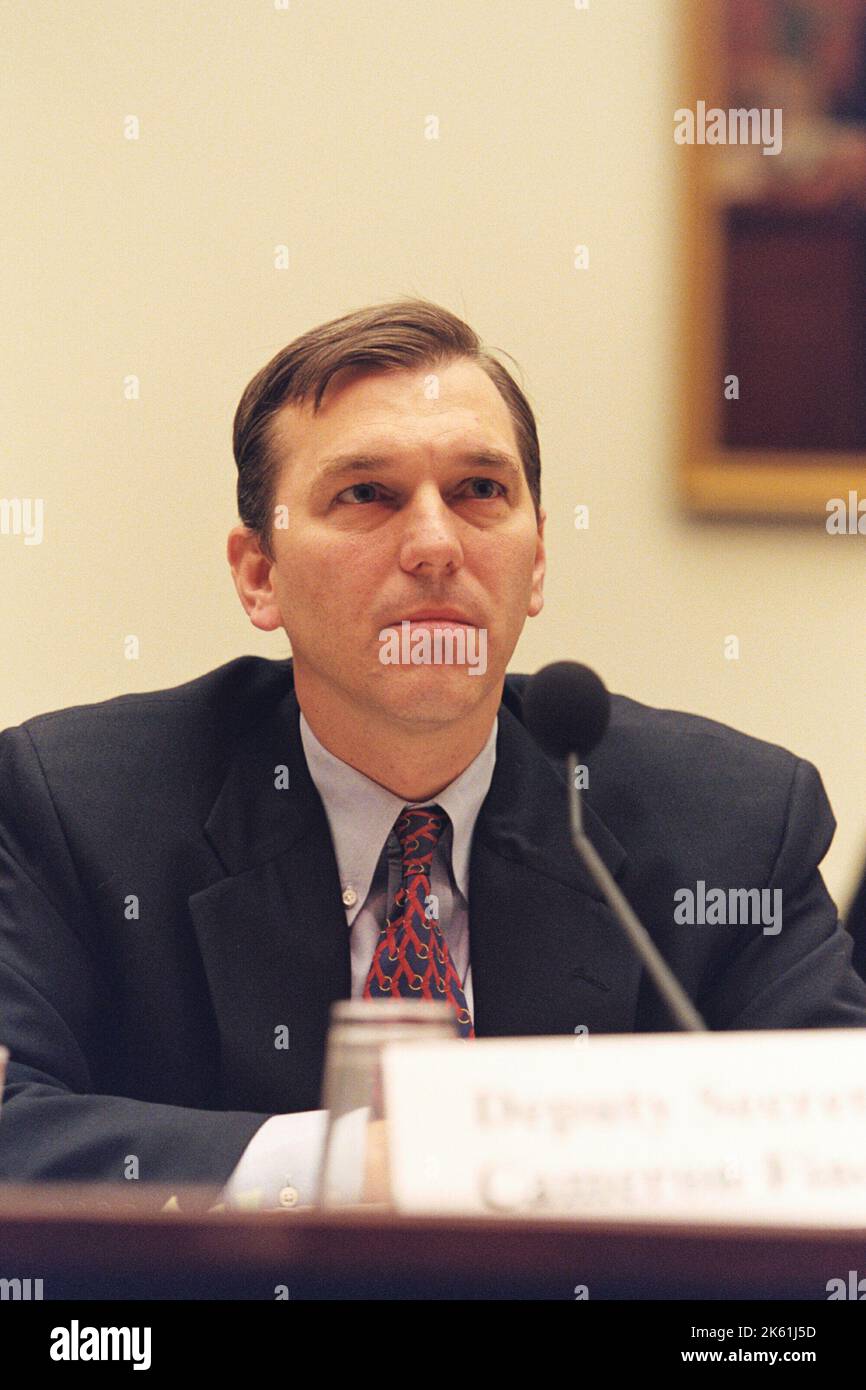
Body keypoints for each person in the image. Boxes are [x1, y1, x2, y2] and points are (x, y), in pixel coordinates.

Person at [1, 298, 864, 1209]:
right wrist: (357, 1172)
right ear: (260, 575)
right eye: (366, 495)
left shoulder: (729, 824)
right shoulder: (78, 810)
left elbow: (838, 1144)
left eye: (479, 491)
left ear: (535, 565)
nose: (435, 546)